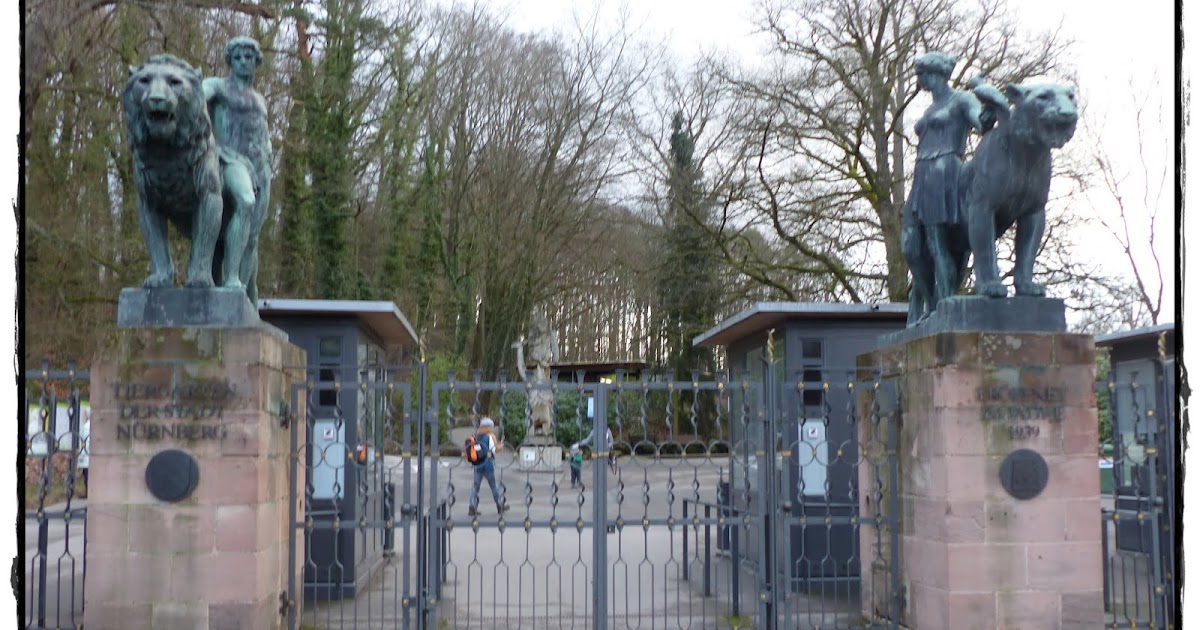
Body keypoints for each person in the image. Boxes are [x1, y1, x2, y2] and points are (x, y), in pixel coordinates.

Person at [902, 51, 985, 322]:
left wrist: (986, 98)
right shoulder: (929, 108)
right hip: (922, 174)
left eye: (921, 74)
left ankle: (942, 308)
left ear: (934, 73)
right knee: (911, 248)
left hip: (946, 171)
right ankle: (932, 300)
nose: (918, 79)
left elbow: (980, 122)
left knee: (939, 244)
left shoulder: (961, 99)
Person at [202, 36, 273, 301]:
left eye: (249, 57)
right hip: (231, 159)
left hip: (261, 169)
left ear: (256, 62)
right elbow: (196, 95)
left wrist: (268, 153)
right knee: (244, 202)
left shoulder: (260, 99)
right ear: (230, 61)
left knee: (252, 239)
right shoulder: (219, 87)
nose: (244, 62)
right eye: (238, 57)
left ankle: (246, 295)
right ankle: (230, 281)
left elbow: (262, 132)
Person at [467, 417, 510, 516]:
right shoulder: (490, 436)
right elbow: (494, 450)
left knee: (475, 486)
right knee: (494, 486)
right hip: (488, 464)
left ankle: (472, 507)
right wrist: (501, 446)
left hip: (478, 464)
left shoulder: (477, 436)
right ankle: (500, 506)